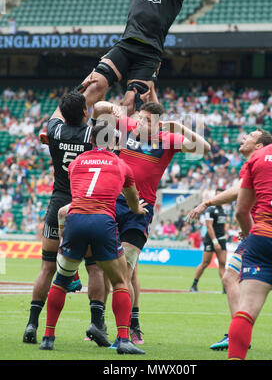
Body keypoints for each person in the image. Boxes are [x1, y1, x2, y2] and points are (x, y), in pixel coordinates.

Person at [92, 99, 211, 344]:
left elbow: (204, 147)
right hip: (113, 205)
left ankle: (129, 329)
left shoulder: (167, 140)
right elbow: (96, 108)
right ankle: (102, 325)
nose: (140, 123)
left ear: (157, 124)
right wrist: (113, 107)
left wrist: (179, 127)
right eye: (139, 118)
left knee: (124, 269)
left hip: (140, 211)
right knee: (105, 270)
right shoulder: (127, 127)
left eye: (147, 120)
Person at [39, 122, 147, 354]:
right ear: (113, 142)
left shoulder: (76, 163)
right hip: (102, 222)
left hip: (75, 220)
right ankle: (124, 339)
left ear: (92, 140)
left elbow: (80, 189)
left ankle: (48, 337)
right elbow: (131, 199)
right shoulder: (121, 165)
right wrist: (138, 210)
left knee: (60, 280)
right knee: (119, 281)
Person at [23, 86, 108, 346]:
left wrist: (77, 90)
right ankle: (96, 323)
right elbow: (107, 116)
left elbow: (56, 114)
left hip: (57, 202)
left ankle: (32, 324)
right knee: (94, 269)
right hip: (85, 207)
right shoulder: (92, 135)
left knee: (47, 267)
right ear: (85, 111)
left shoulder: (54, 130)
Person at [187, 128, 272, 349]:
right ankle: (237, 335)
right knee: (232, 277)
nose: (244, 137)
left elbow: (238, 192)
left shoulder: (258, 162)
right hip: (261, 231)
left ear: (259, 146)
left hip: (265, 233)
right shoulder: (257, 163)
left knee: (231, 277)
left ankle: (237, 335)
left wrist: (207, 202)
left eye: (250, 136)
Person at [228, 97, 272, 360]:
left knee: (246, 310)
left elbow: (240, 210)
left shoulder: (259, 155)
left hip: (263, 239)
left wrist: (251, 236)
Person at [189, 189, 228, 293]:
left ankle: (225, 288)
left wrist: (225, 235)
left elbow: (222, 226)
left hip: (221, 239)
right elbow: (209, 227)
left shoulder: (223, 210)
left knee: (223, 264)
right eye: (218, 195)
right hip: (211, 240)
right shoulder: (210, 210)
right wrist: (215, 242)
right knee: (205, 263)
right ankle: (194, 285)